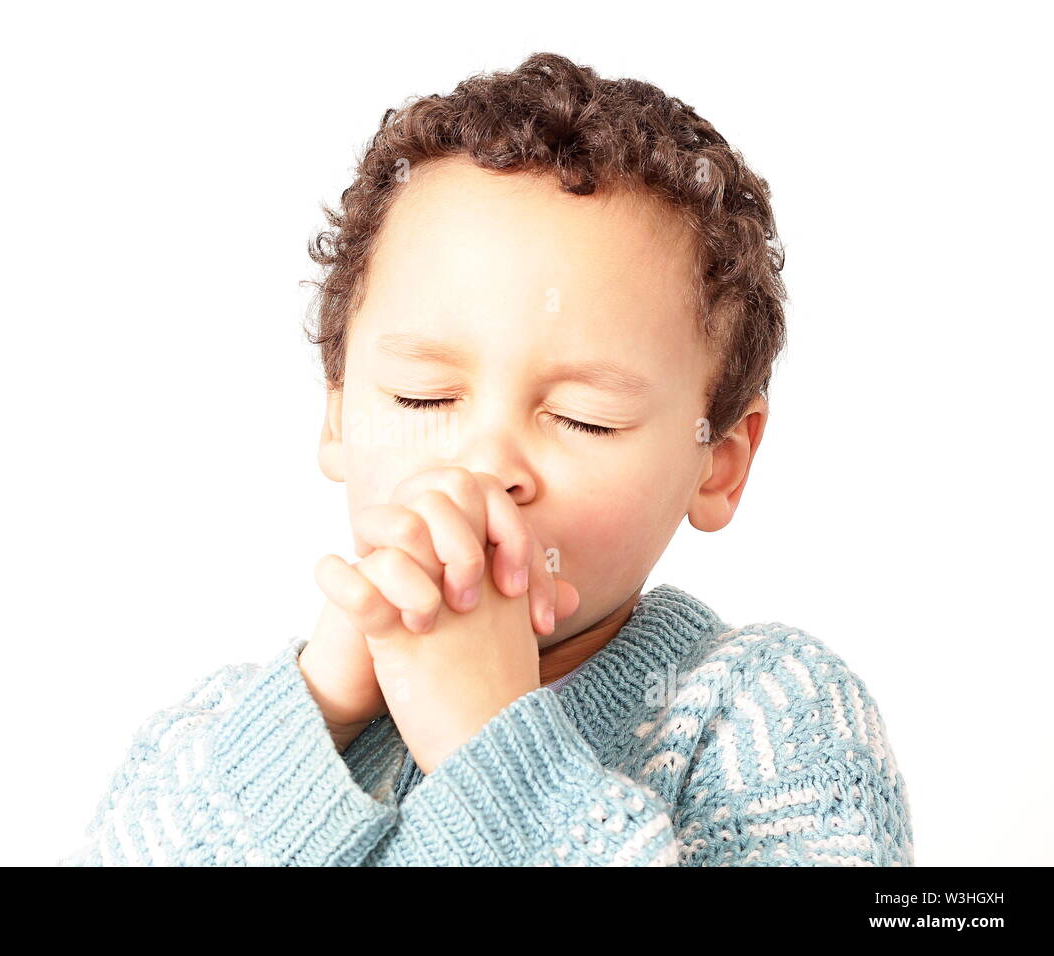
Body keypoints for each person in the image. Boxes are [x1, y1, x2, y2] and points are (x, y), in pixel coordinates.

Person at [58, 51, 913, 867]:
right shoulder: (218, 741)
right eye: (425, 398)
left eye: (585, 418)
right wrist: (313, 713)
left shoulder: (766, 716)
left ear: (717, 463)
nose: (484, 465)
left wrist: (493, 752)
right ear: (339, 416)